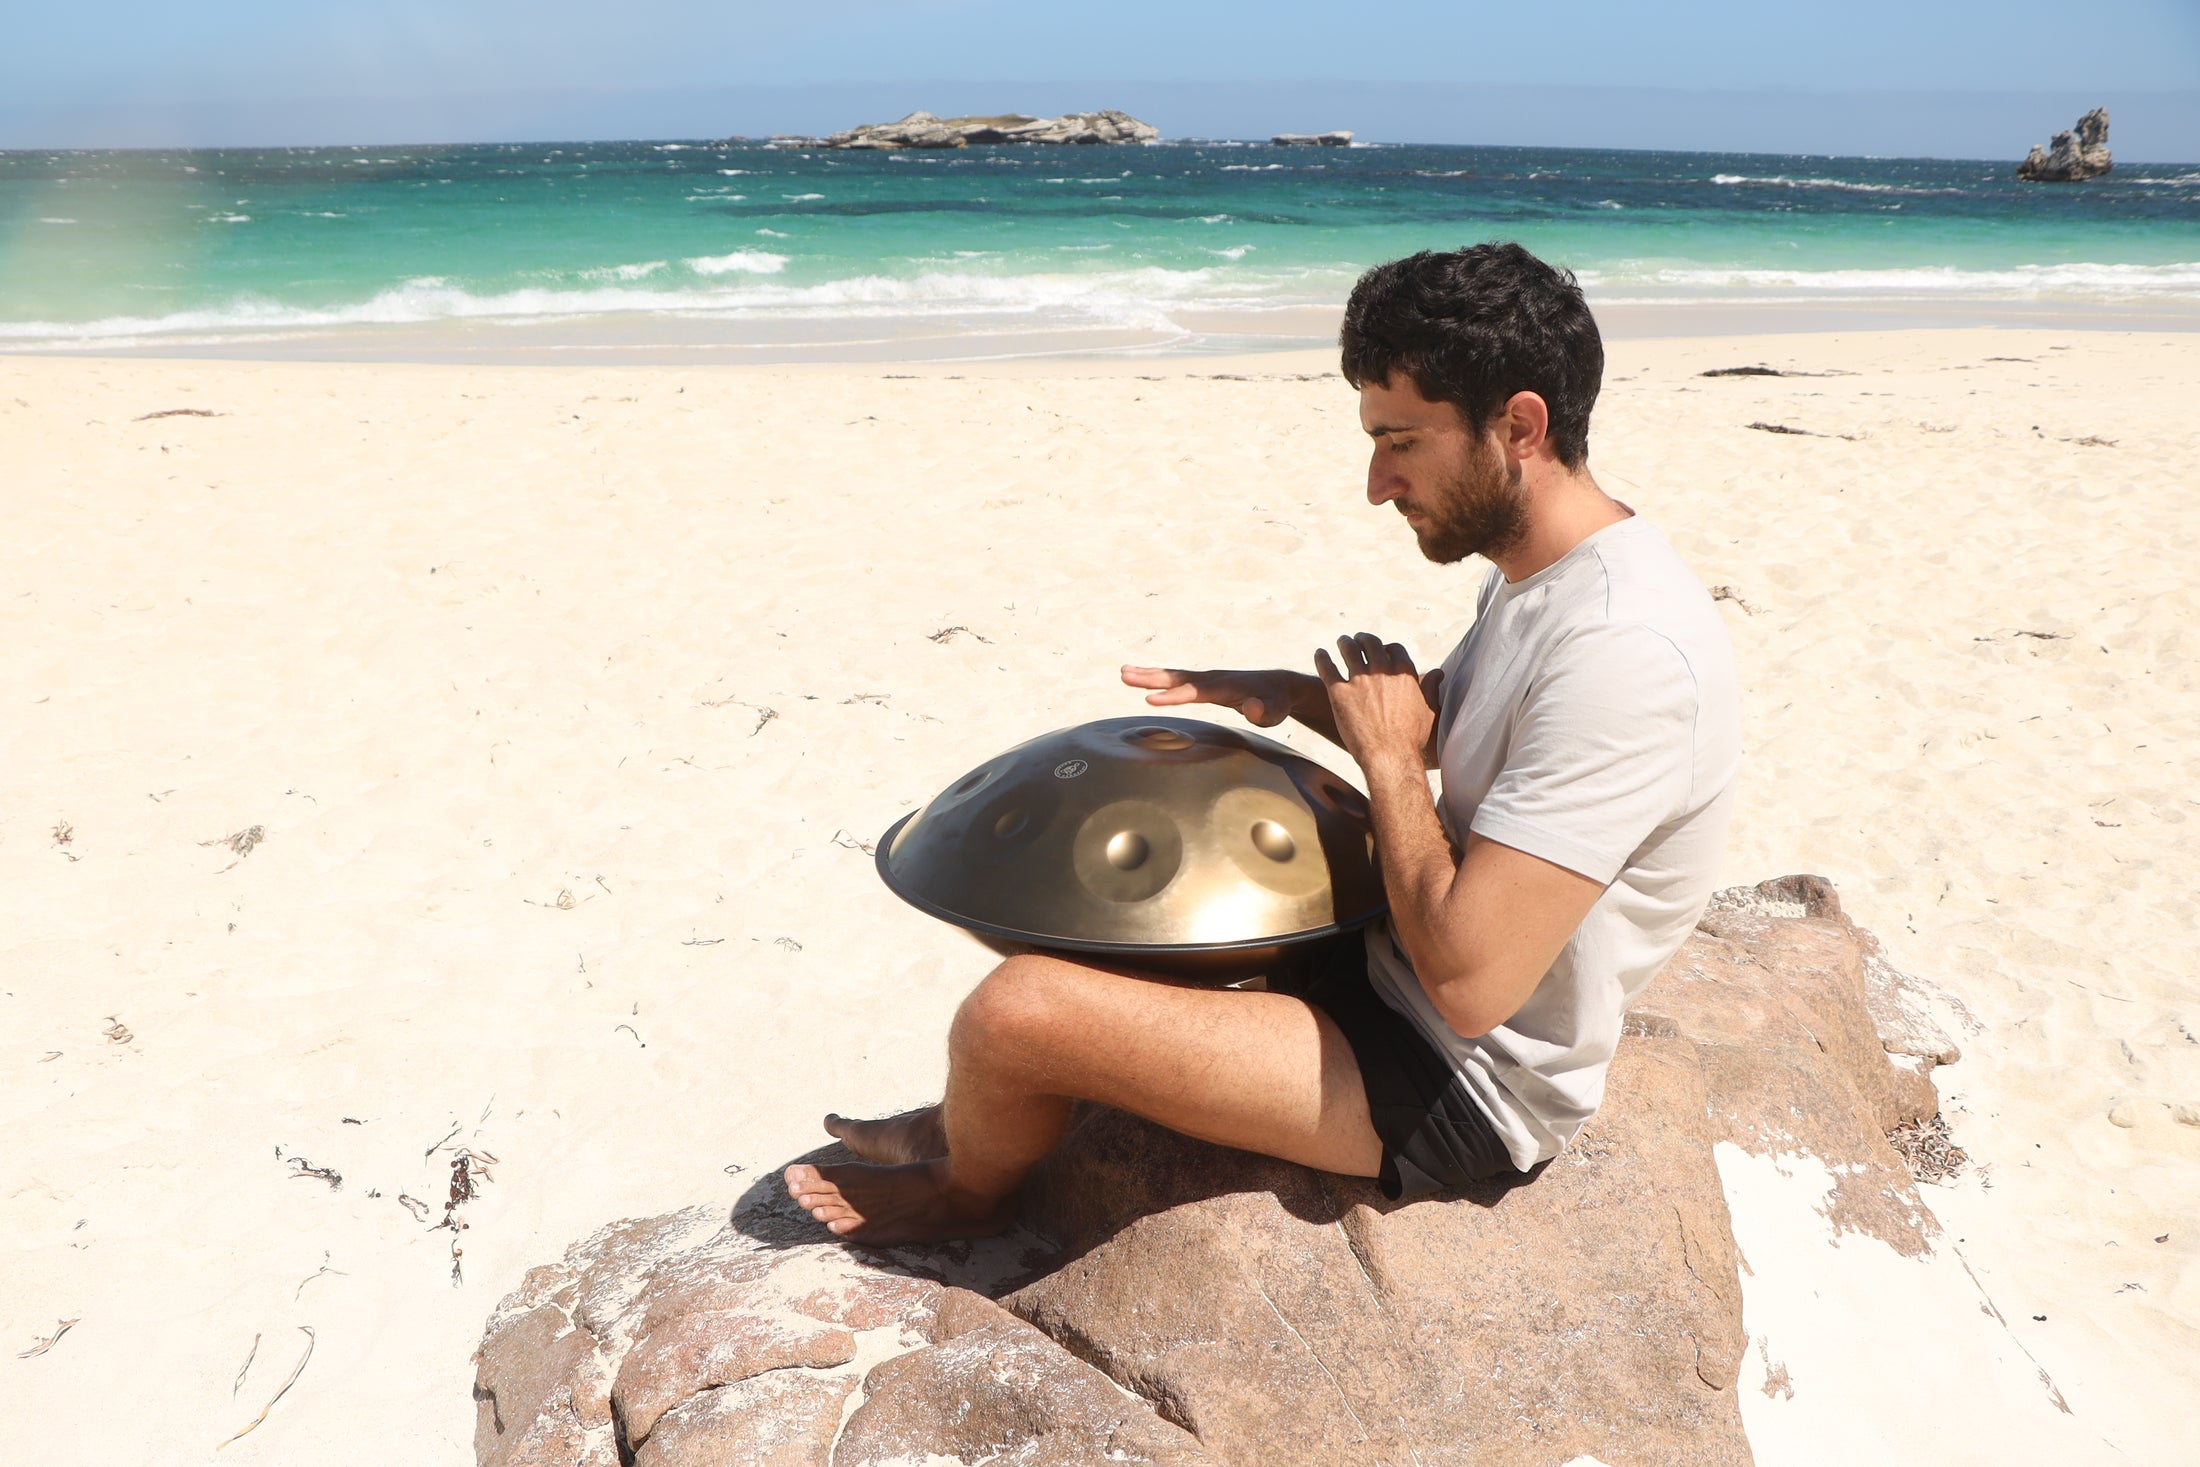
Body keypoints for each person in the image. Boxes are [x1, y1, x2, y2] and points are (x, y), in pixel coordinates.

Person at [785, 242, 1740, 1241]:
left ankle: (962, 1194)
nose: (1378, 483)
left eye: (1401, 441)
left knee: (1013, 1012)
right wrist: (1288, 700)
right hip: (1381, 966)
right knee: (1103, 913)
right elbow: (1455, 724)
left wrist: (1378, 758)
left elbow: (1469, 986)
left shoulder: (1625, 654)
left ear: (1520, 426)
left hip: (1462, 1079)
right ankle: (970, 1119)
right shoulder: (1545, 575)